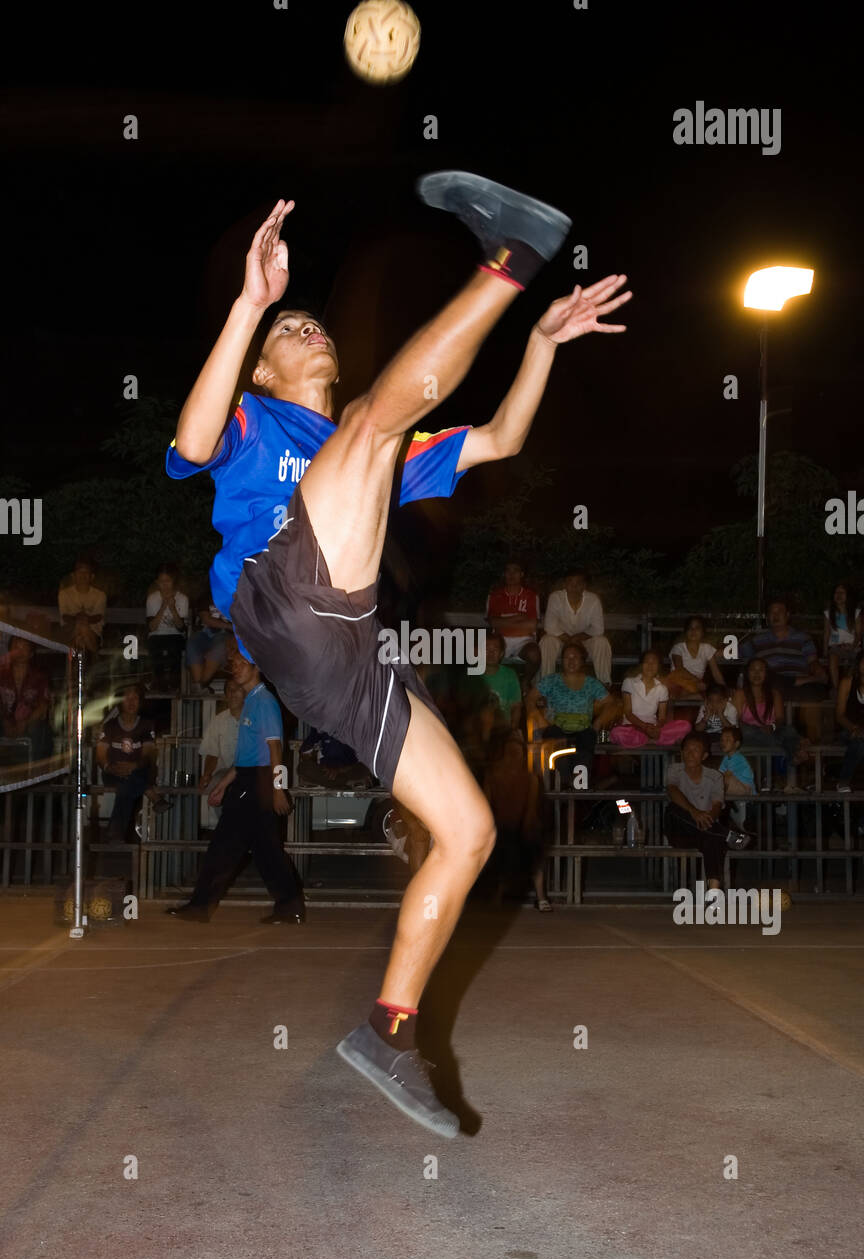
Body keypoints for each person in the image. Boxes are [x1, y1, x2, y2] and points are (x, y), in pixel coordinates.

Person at [166, 175, 631, 1136]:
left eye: (312, 325)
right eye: (291, 335)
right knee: (378, 421)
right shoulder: (257, 423)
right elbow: (192, 436)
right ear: (261, 371)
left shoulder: (368, 445)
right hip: (281, 599)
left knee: (467, 832)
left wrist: (540, 348)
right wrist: (250, 307)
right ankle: (509, 258)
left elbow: (499, 437)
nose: (312, 333)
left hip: (350, 658)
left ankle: (388, 1028)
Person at [168, 651, 305, 924]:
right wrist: (224, 783)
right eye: (235, 664)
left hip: (259, 782)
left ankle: (201, 906)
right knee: (266, 851)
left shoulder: (264, 701)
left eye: (243, 664)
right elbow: (246, 755)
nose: (236, 669)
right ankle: (291, 908)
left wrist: (278, 788)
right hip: (247, 779)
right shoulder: (251, 702)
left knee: (226, 846)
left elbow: (274, 748)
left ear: (257, 668)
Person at [664, 731, 748, 891]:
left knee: (712, 839)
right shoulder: (675, 769)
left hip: (706, 829)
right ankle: (728, 834)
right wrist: (694, 812)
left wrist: (706, 817)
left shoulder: (715, 776)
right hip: (680, 831)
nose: (690, 754)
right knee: (672, 808)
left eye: (695, 750)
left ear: (704, 756)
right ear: (681, 753)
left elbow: (717, 805)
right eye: (687, 750)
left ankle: (714, 892)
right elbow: (672, 790)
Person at [526, 637, 614, 783]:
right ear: (562, 660)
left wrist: (598, 722)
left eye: (575, 657)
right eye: (567, 657)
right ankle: (563, 788)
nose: (571, 661)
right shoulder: (551, 680)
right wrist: (539, 718)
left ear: (582, 661)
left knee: (586, 750)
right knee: (559, 753)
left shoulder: (592, 683)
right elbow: (530, 699)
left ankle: (580, 789)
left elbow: (611, 703)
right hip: (556, 727)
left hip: (584, 728)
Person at [739, 599, 829, 742]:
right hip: (771, 685)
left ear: (787, 615)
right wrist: (708, 651)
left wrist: (819, 672)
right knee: (770, 677)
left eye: (779, 611)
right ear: (767, 617)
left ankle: (810, 743)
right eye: (771, 612)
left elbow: (813, 661)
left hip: (797, 685)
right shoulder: (757, 640)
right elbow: (734, 652)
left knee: (815, 693)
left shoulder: (803, 638)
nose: (775, 615)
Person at [483, 727, 549, 910]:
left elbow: (530, 809)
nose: (514, 756)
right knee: (501, 847)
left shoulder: (530, 778)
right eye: (511, 752)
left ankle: (541, 896)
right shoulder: (493, 776)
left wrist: (524, 831)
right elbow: (487, 804)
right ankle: (497, 895)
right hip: (501, 825)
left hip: (523, 826)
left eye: (518, 752)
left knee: (533, 847)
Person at [95, 684, 167, 842]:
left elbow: (148, 753)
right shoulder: (110, 725)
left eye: (135, 698)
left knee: (126, 785)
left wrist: (134, 766)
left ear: (140, 702)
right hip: (113, 772)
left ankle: (115, 831)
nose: (131, 702)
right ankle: (152, 794)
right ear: (121, 701)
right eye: (127, 697)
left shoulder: (146, 725)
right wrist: (110, 767)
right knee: (128, 782)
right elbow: (100, 754)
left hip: (137, 771)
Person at [731, 657, 805, 792]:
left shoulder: (774, 694)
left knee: (789, 730)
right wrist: (759, 730)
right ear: (747, 673)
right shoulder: (740, 694)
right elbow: (735, 720)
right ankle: (793, 752)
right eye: (753, 670)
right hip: (750, 736)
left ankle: (788, 756)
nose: (757, 674)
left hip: (771, 732)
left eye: (761, 670)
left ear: (766, 674)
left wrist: (772, 727)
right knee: (748, 731)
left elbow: (780, 718)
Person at [539, 567, 613, 683]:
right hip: (561, 640)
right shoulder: (556, 598)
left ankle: (604, 684)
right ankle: (546, 684)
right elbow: (550, 626)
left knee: (601, 642)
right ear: (564, 584)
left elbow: (598, 629)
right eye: (570, 582)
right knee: (547, 641)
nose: (574, 586)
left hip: (584, 641)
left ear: (584, 585)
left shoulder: (593, 600)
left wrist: (578, 638)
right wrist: (570, 640)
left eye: (578, 582)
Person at [610, 649, 691, 747]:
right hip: (632, 727)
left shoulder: (662, 688)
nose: (650, 665)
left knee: (685, 726)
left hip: (653, 728)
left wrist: (656, 729)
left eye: (654, 663)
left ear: (658, 667)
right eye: (647, 662)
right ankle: (653, 740)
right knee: (617, 733)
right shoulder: (629, 682)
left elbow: (661, 718)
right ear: (641, 665)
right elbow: (628, 713)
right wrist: (644, 727)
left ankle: (647, 739)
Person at [0, 636, 53, 762]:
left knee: (40, 730)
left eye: (24, 647)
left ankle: (36, 775)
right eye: (16, 647)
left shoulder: (40, 676)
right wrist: (5, 721)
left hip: (30, 723)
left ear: (31, 653)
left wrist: (26, 722)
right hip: (4, 722)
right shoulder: (1, 675)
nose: (19, 651)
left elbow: (43, 705)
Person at [485, 562, 541, 679]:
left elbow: (532, 624)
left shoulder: (531, 596)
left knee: (534, 654)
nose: (511, 574)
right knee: (481, 652)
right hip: (500, 639)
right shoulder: (495, 595)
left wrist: (503, 621)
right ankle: (493, 685)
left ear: (522, 574)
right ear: (504, 574)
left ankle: (525, 684)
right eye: (508, 571)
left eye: (515, 571)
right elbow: (493, 622)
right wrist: (518, 617)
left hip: (524, 640)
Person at [145, 564, 190, 694]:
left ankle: (175, 683)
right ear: (157, 582)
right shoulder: (152, 598)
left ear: (173, 581)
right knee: (155, 647)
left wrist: (173, 609)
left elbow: (181, 628)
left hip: (175, 635)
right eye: (161, 581)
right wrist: (163, 606)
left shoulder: (182, 599)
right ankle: (160, 683)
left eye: (168, 581)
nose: (165, 585)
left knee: (174, 648)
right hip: (156, 635)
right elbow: (152, 627)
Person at [198, 677, 244, 793]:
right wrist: (206, 775)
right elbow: (212, 753)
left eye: (237, 689)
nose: (233, 693)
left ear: (245, 693)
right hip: (225, 771)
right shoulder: (218, 720)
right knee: (214, 786)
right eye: (229, 689)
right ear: (225, 695)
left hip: (249, 771)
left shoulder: (254, 718)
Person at [666, 615, 724, 696]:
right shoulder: (678, 647)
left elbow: (716, 673)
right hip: (679, 683)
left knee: (715, 695)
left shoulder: (707, 648)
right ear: (686, 632)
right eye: (690, 628)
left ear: (703, 632)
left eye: (697, 628)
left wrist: (724, 689)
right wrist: (697, 681)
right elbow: (680, 669)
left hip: (696, 686)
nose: (693, 631)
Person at [187, 590, 233, 693]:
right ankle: (199, 685)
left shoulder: (234, 594)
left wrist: (229, 628)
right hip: (206, 632)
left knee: (219, 647)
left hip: (226, 634)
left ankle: (200, 686)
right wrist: (229, 626)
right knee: (193, 644)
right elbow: (206, 619)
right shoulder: (206, 595)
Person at [58, 558, 106, 649]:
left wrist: (83, 621)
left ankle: (78, 658)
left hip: (93, 633)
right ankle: (94, 657)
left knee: (82, 629)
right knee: (80, 628)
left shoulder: (100, 595)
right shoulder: (64, 594)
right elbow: (65, 616)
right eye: (80, 572)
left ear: (92, 576)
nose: (83, 575)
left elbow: (98, 616)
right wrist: (78, 620)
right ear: (73, 576)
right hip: (70, 632)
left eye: (86, 572)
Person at [479, 631, 523, 728]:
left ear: (501, 653)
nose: (491, 653)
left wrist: (513, 730)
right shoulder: (471, 675)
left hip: (502, 729)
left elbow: (516, 706)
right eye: (486, 649)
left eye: (495, 649)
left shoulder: (509, 675)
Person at [834, 651, 864, 793]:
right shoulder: (847, 683)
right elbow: (839, 715)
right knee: (858, 740)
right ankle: (844, 781)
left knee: (860, 742)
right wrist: (853, 728)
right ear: (858, 664)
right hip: (847, 728)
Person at [824, 581, 862, 691]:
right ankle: (837, 690)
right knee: (832, 657)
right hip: (836, 647)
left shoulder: (856, 613)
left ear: (848, 596)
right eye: (836, 592)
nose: (839, 595)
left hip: (853, 646)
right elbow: (826, 633)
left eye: (842, 592)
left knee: (856, 663)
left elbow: (859, 634)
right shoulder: (829, 613)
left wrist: (853, 646)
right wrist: (825, 651)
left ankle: (850, 690)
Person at [717, 725, 756, 829]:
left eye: (728, 740)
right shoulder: (726, 757)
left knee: (724, 779)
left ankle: (720, 805)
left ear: (736, 744)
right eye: (722, 740)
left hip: (745, 788)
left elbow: (726, 775)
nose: (723, 742)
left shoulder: (738, 758)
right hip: (734, 786)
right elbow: (719, 773)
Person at [694, 682, 738, 753]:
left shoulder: (731, 708)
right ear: (706, 700)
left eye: (718, 701)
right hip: (707, 735)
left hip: (724, 735)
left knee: (730, 738)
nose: (714, 704)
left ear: (725, 700)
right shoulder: (705, 707)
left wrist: (721, 715)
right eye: (711, 701)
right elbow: (698, 729)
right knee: (697, 738)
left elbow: (732, 730)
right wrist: (706, 717)